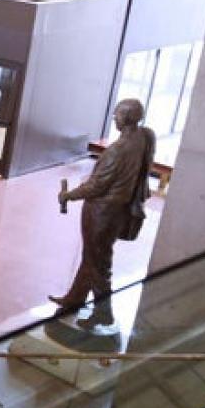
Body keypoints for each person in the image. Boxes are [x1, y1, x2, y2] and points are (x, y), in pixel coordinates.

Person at [49, 98, 157, 327]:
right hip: (119, 210)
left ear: (126, 118)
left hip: (102, 212)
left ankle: (103, 313)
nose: (115, 118)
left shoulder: (116, 150)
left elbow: (97, 185)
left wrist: (69, 195)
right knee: (92, 256)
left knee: (99, 263)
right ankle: (74, 300)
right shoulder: (144, 138)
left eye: (118, 114)